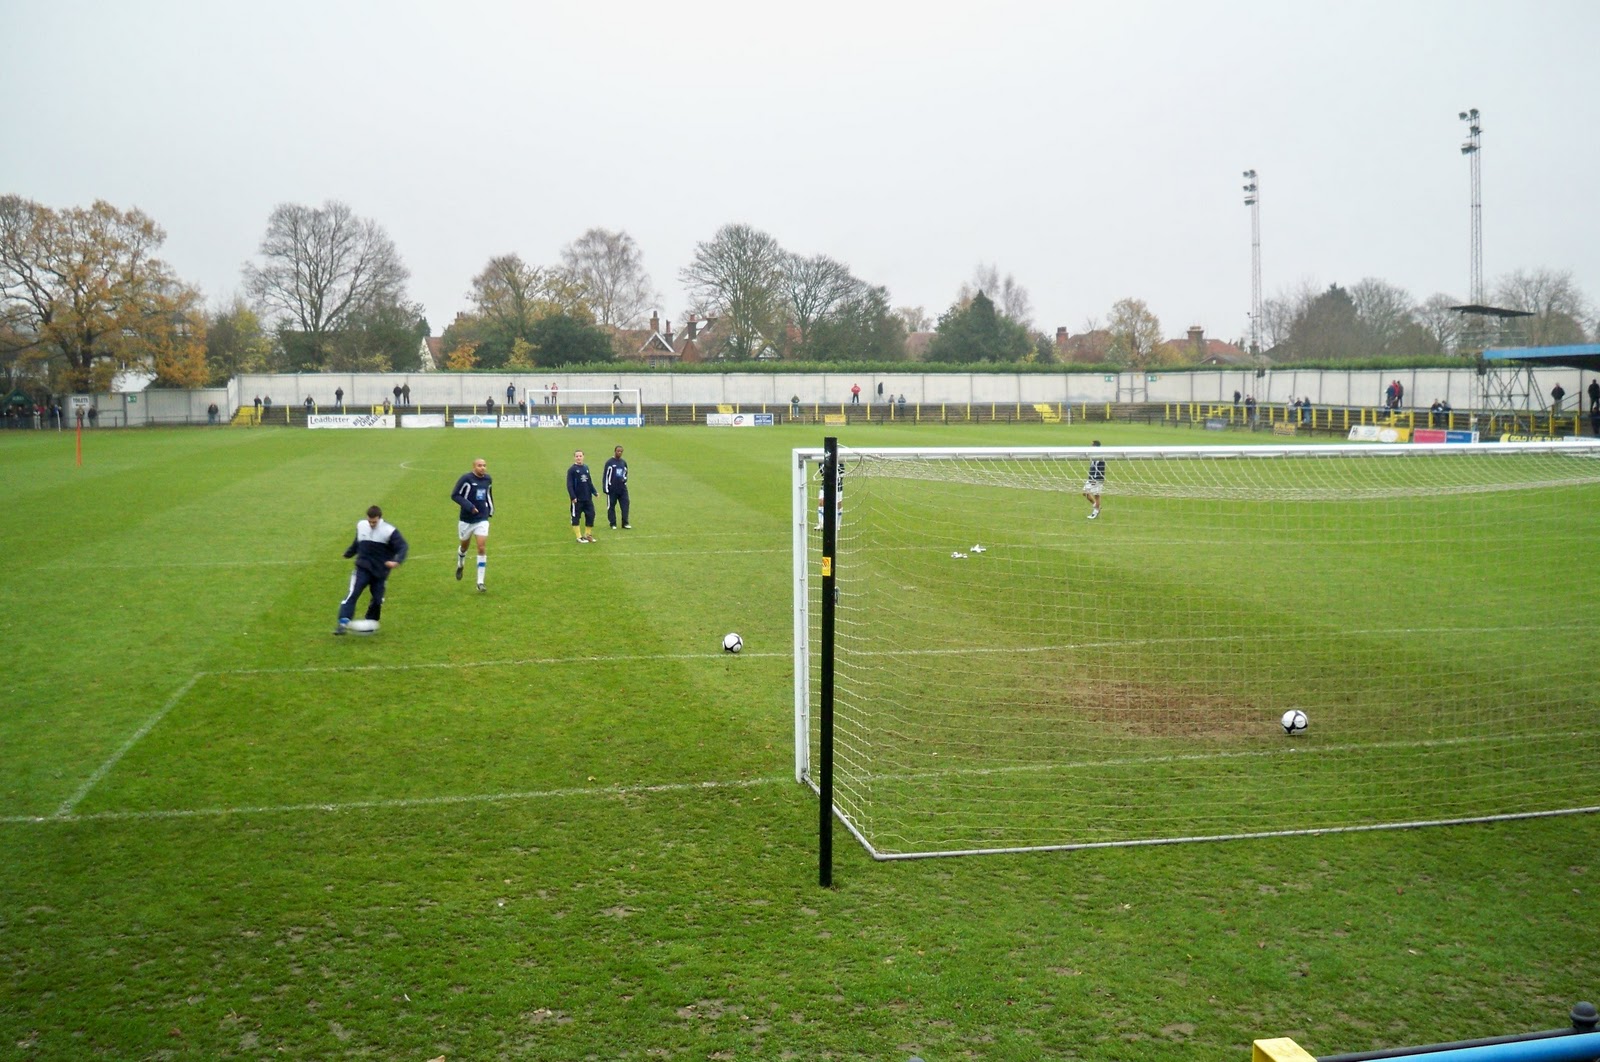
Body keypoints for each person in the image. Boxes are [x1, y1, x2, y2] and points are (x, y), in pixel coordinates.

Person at [335, 505, 408, 634]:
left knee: (377, 599)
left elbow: (403, 546)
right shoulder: (361, 525)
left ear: (379, 518)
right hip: (362, 568)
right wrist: (349, 553)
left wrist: (397, 561)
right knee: (353, 593)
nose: (371, 524)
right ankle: (343, 622)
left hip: (380, 572)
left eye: (374, 522)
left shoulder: (389, 531)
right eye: (370, 521)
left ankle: (370, 623)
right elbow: (358, 542)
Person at [451, 458, 494, 592]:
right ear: (474, 467)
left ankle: (480, 582)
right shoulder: (466, 479)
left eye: (484, 465)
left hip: (482, 518)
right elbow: (455, 495)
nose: (482, 468)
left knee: (481, 547)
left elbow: (488, 495)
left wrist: (491, 510)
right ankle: (460, 563)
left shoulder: (488, 479)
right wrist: (470, 507)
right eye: (480, 465)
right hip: (466, 520)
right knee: (464, 547)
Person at [568, 449, 599, 542]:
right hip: (577, 499)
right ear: (574, 457)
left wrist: (594, 492)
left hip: (587, 498)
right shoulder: (572, 470)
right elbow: (569, 484)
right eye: (577, 456)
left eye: (580, 456)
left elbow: (589, 481)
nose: (579, 458)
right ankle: (579, 537)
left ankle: (587, 534)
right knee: (576, 517)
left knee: (591, 515)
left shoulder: (586, 468)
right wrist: (573, 497)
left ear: (583, 457)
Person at [603, 445, 631, 529]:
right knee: (611, 506)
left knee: (625, 505)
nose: (619, 453)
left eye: (621, 451)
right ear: (615, 451)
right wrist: (606, 488)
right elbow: (606, 476)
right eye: (618, 451)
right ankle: (613, 523)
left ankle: (625, 523)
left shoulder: (623, 462)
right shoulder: (609, 462)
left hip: (622, 489)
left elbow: (625, 473)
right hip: (612, 489)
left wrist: (624, 480)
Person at [816, 459, 844, 530]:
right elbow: (822, 472)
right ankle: (821, 523)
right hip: (826, 482)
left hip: (838, 484)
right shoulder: (821, 459)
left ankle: (837, 525)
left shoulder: (839, 459)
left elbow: (842, 473)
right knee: (821, 501)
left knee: (838, 504)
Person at [1083, 440, 1105, 520]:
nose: (1090, 447)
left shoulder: (1100, 456)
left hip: (1097, 479)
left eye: (1092, 445)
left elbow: (1100, 469)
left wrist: (1095, 479)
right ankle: (1097, 506)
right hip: (1091, 478)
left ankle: (1095, 512)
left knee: (1097, 495)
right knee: (1085, 493)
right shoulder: (1093, 455)